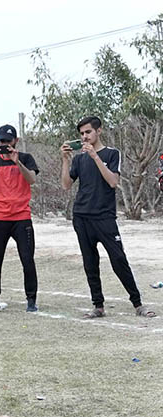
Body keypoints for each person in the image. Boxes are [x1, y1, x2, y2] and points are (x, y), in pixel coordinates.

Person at [60, 116, 156, 318]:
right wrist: (65, 160)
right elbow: (66, 185)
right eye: (82, 134)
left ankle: (138, 304)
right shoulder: (79, 158)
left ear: (98, 131)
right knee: (90, 261)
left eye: (88, 132)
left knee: (119, 259)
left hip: (104, 217)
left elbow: (113, 182)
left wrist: (95, 157)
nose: (84, 136)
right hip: (81, 216)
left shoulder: (112, 154)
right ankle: (98, 306)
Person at [0, 124, 40, 314]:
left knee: (27, 260)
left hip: (21, 217)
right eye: (2, 141)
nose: (5, 144)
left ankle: (31, 299)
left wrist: (17, 161)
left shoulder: (26, 158)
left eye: (8, 141)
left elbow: (31, 180)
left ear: (16, 141)